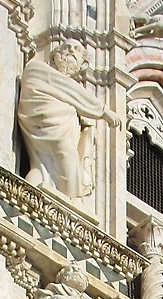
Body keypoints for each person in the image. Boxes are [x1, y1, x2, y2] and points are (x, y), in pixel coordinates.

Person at [18, 40, 121, 202]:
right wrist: (104, 111)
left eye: (77, 50)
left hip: (57, 127)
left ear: (82, 64)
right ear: (54, 57)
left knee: (42, 167)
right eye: (66, 48)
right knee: (70, 167)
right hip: (47, 123)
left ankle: (25, 201)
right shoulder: (36, 68)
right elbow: (69, 89)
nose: (71, 51)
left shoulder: (65, 89)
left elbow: (69, 91)